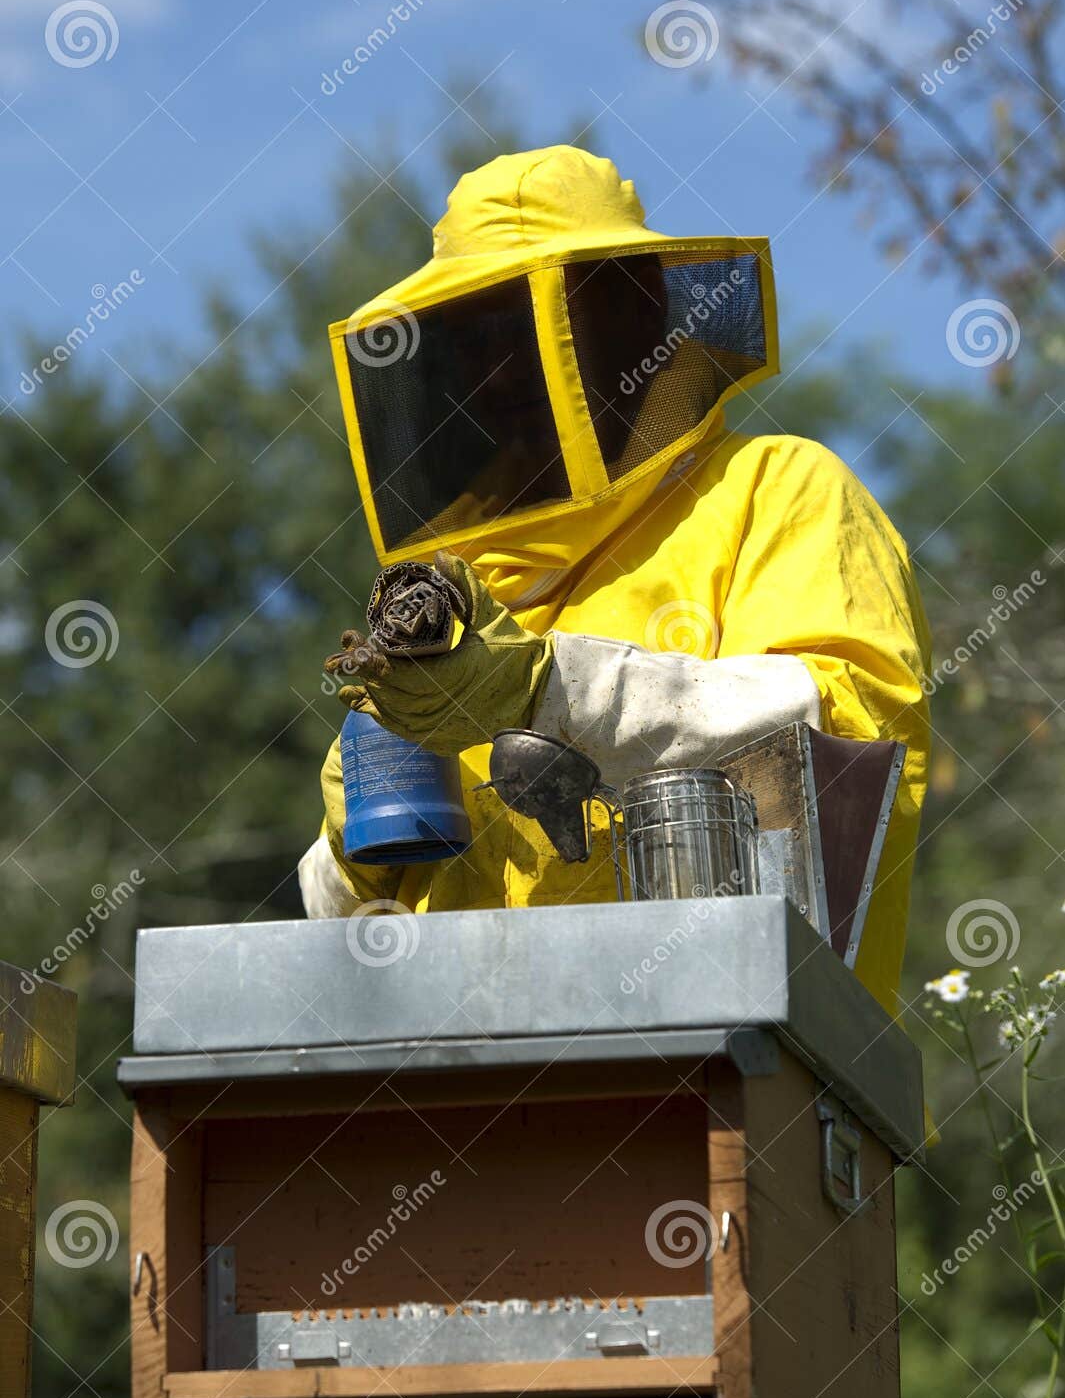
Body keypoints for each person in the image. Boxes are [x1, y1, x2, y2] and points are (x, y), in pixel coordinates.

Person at [299, 145, 930, 1018]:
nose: (504, 368)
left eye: (531, 324)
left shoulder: (778, 487)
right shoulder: (462, 586)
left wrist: (551, 690)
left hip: (737, 1058)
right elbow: (335, 954)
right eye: (476, 337)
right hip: (471, 1089)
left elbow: (846, 731)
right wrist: (353, 841)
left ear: (640, 315)